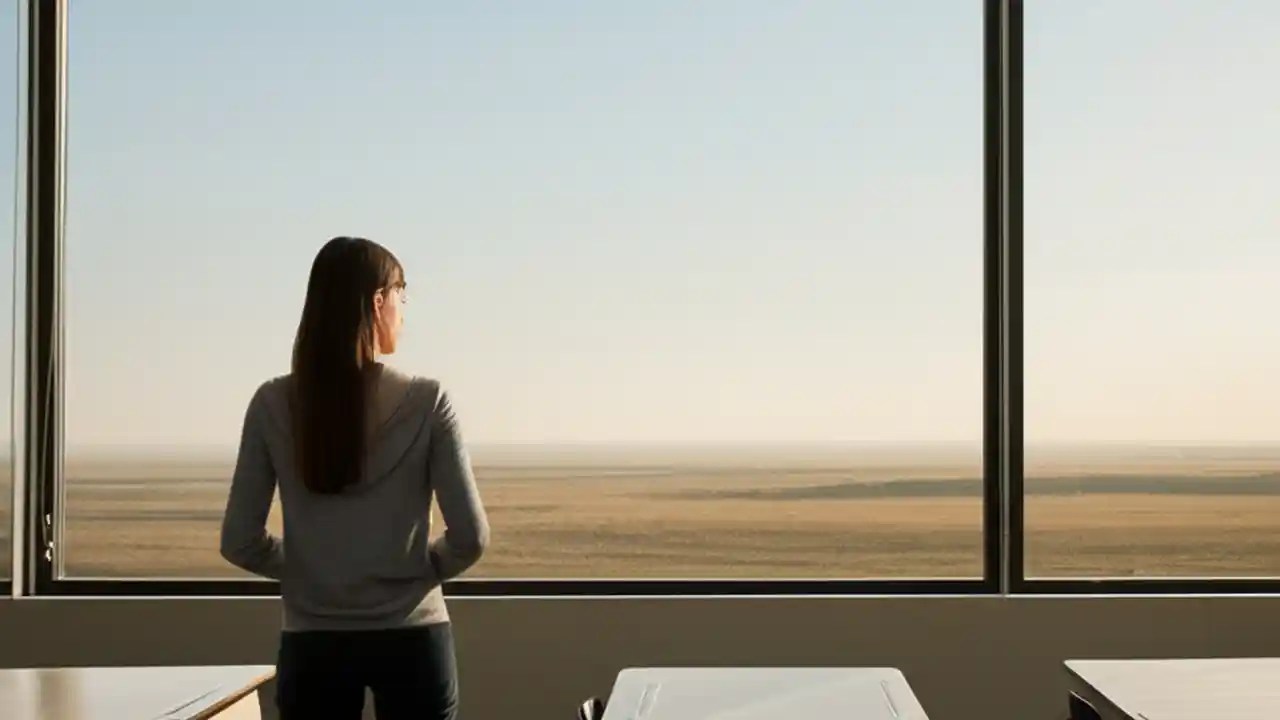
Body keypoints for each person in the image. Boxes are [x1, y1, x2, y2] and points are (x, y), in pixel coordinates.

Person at [220, 236, 489, 719]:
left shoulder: (271, 405)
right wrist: (418, 569)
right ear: (378, 301)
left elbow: (239, 540)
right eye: (402, 293)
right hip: (414, 637)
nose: (405, 310)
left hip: (314, 642)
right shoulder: (428, 403)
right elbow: (471, 537)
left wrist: (311, 569)